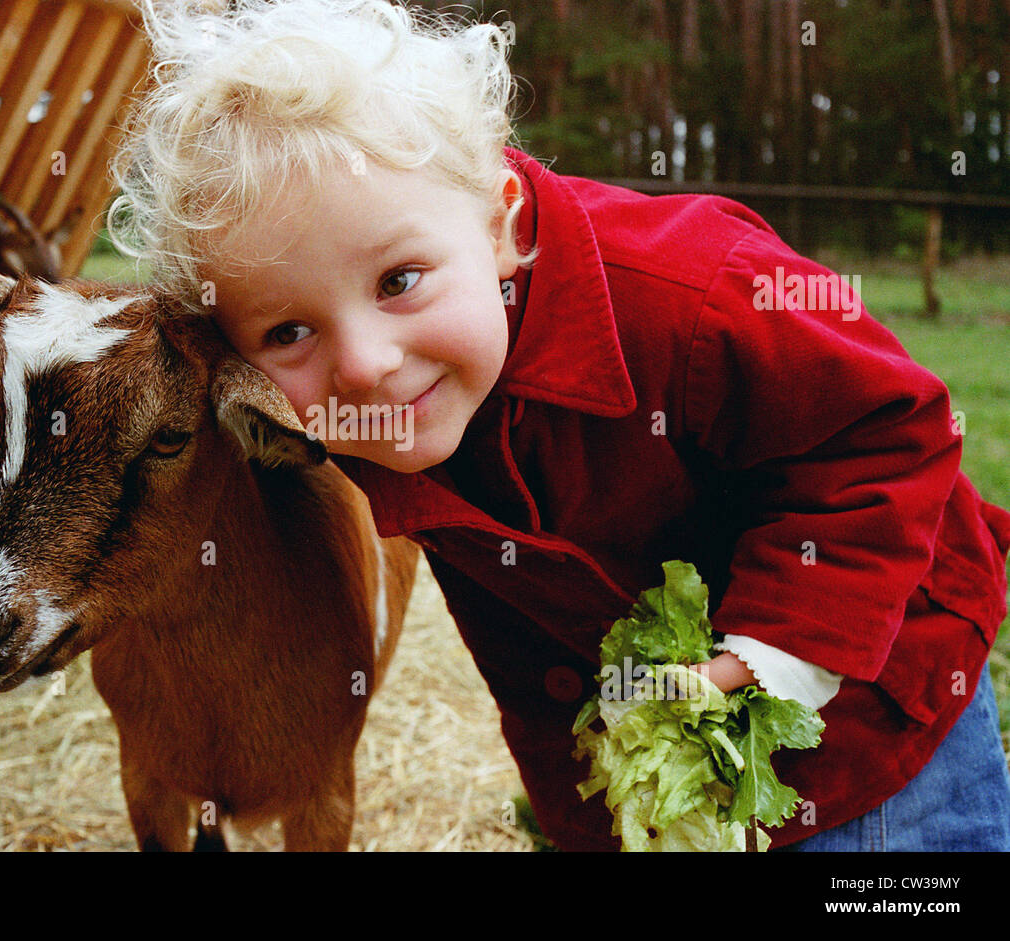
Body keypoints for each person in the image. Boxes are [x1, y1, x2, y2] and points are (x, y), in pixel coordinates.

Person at [108, 0, 1010, 850]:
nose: (367, 362)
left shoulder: (691, 296)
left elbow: (889, 430)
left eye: (398, 280)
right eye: (289, 331)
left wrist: (763, 658)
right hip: (655, 749)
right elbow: (523, 643)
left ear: (499, 224)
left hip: (878, 698)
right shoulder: (371, 411)